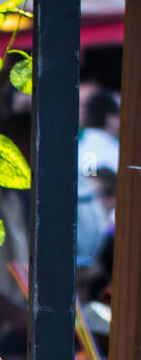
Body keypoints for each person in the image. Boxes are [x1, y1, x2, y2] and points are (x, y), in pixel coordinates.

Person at [77, 90, 120, 271]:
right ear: (110, 117)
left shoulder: (85, 146)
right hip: (97, 230)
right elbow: (91, 183)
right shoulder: (94, 150)